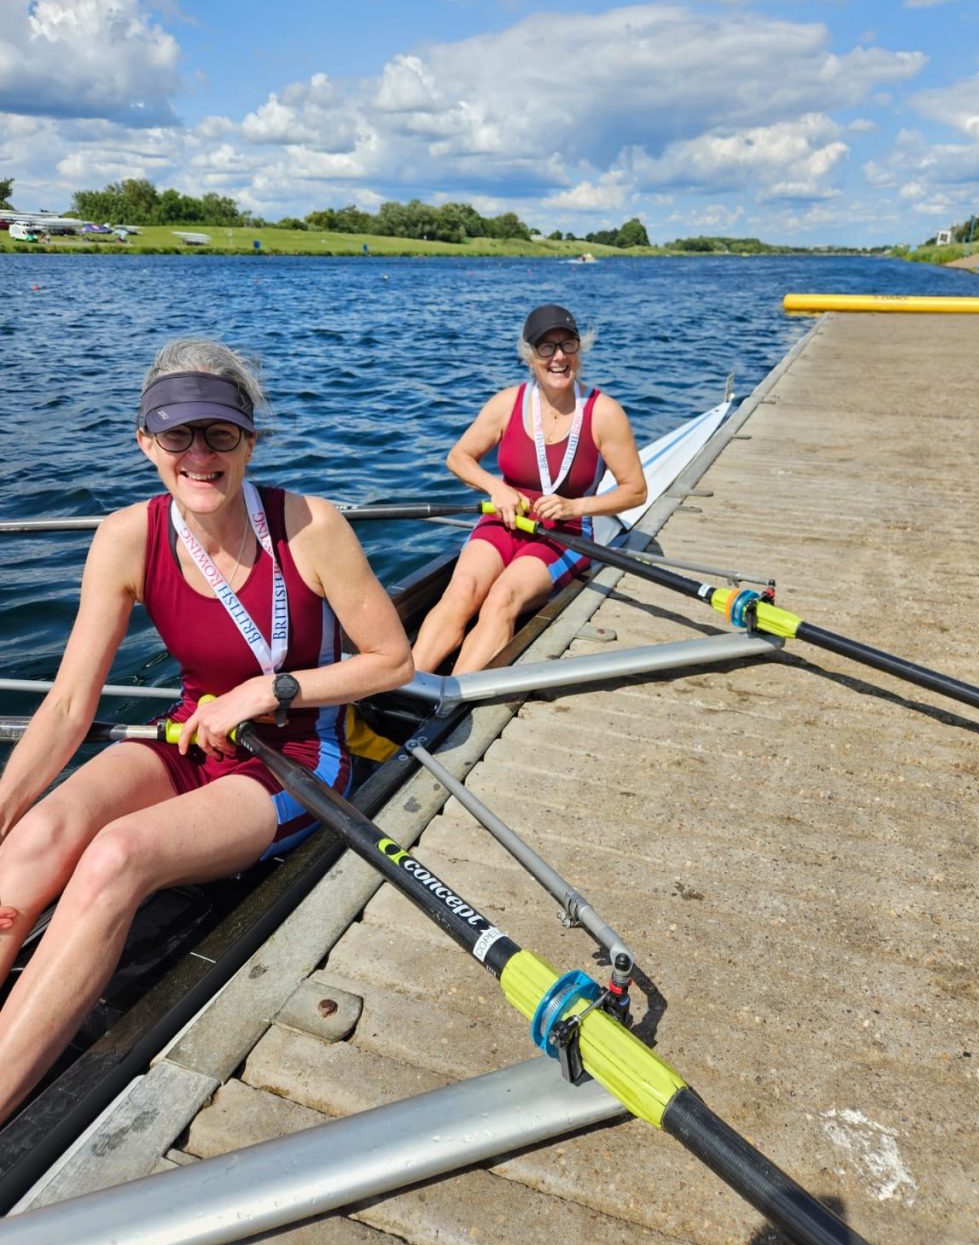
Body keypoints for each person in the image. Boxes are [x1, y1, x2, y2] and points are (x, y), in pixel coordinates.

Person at [0, 338, 413, 1120]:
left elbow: (392, 660)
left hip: (295, 754)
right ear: (145, 441)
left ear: (249, 443)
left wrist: (270, 687)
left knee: (115, 856)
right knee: (36, 836)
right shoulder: (126, 537)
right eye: (177, 434)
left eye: (221, 434)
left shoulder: (311, 526)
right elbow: (64, 710)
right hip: (191, 737)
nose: (199, 454)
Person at [412, 304, 647, 675]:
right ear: (529, 355)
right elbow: (458, 458)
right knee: (462, 593)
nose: (558, 357)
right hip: (504, 520)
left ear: (579, 350)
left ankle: (448, 704)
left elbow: (635, 491)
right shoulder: (507, 404)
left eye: (567, 345)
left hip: (563, 534)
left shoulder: (604, 413)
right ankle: (402, 685)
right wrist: (495, 488)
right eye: (545, 347)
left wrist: (576, 507)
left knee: (501, 600)